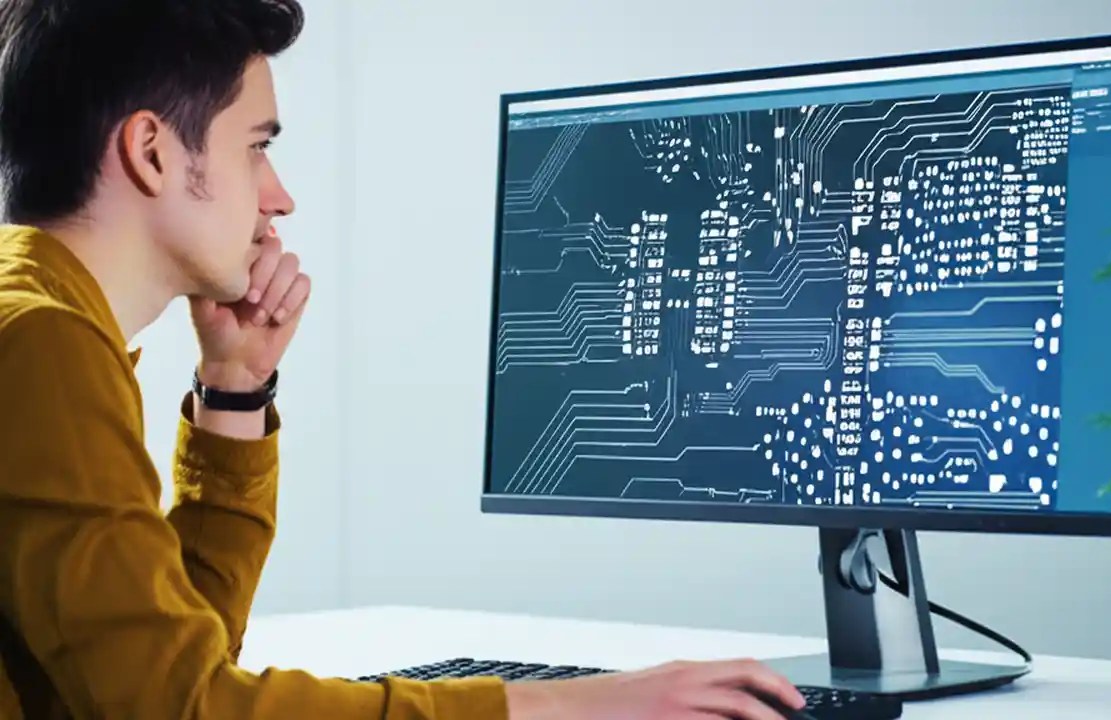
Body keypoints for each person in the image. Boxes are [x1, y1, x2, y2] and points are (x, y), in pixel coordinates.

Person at [0, 1, 810, 718]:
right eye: (255, 147)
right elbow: (178, 709)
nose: (278, 195)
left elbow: (151, 672)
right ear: (151, 152)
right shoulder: (42, 342)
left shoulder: (37, 319)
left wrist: (235, 390)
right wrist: (568, 705)